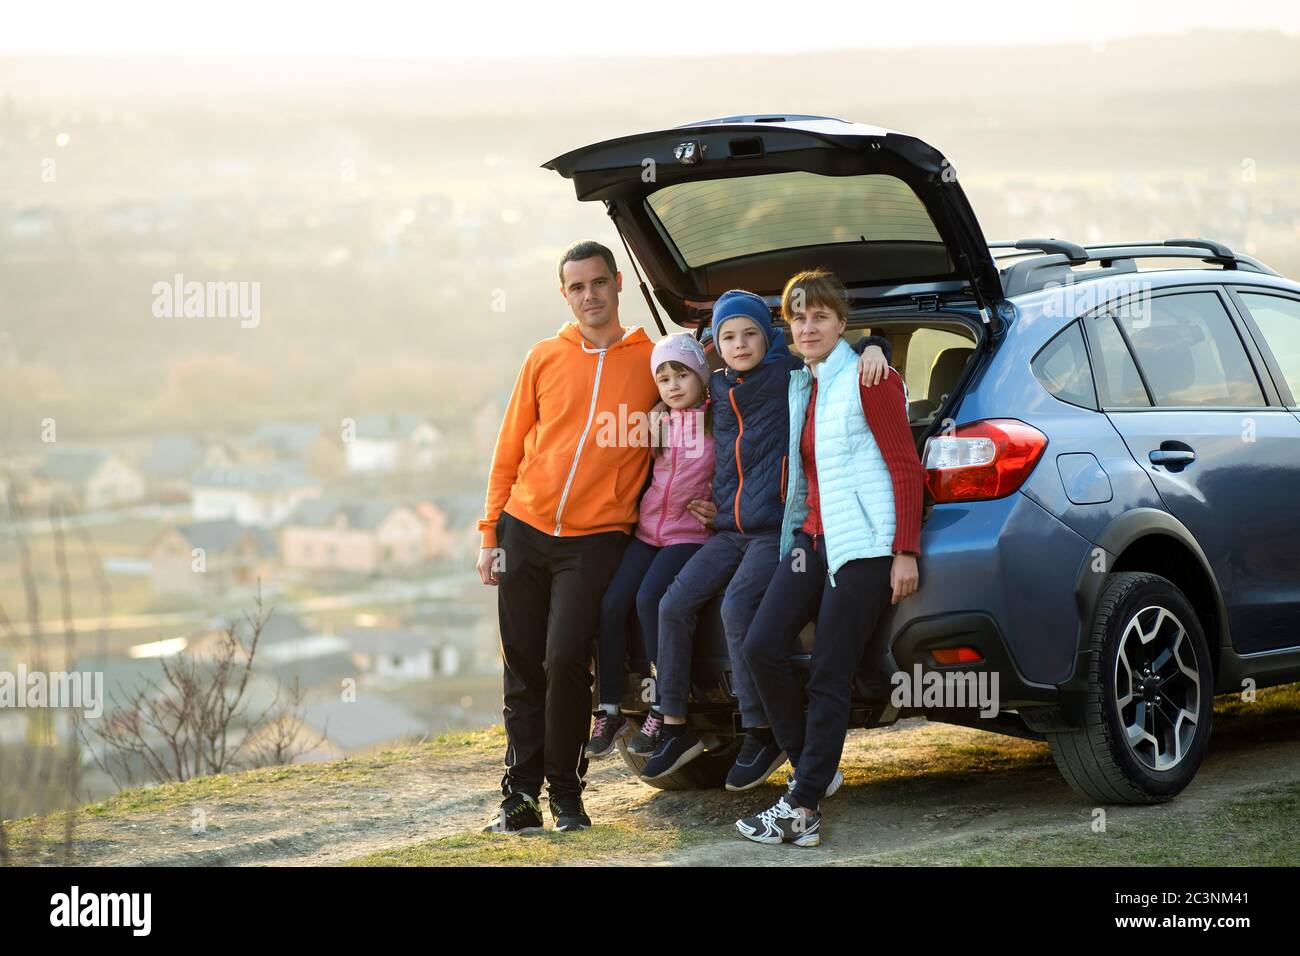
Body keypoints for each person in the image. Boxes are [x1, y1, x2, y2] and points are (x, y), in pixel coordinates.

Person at [640, 288, 892, 788]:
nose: (739, 344)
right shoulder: (716, 388)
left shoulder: (789, 377)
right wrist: (655, 410)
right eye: (728, 337)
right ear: (716, 344)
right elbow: (679, 389)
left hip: (774, 531)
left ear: (768, 337)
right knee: (673, 603)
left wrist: (876, 344)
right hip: (726, 529)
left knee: (736, 609)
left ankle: (760, 729)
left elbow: (838, 356)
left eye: (750, 334)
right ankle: (674, 723)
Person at [736, 269, 924, 848]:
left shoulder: (871, 379)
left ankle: (803, 808)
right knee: (762, 645)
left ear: (842, 322)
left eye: (820, 316)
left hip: (865, 547)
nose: (808, 326)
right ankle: (814, 768)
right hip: (813, 541)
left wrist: (905, 552)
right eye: (798, 317)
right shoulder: (806, 381)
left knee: (828, 671)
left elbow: (905, 466)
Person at [477, 240, 657, 833]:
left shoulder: (651, 362)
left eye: (598, 283)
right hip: (524, 530)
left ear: (619, 283)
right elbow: (509, 449)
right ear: (565, 294)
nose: (589, 296)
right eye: (577, 287)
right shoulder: (544, 357)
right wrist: (490, 532)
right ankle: (520, 798)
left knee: (564, 661)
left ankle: (567, 794)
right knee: (524, 665)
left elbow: (710, 401)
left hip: (597, 539)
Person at [587, 333, 714, 758]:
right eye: (664, 379)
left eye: (682, 375)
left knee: (648, 598)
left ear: (701, 376)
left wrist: (721, 508)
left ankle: (663, 704)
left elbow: (735, 473)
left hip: (688, 534)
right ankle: (610, 708)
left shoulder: (718, 421)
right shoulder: (654, 421)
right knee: (609, 604)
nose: (674, 385)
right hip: (647, 532)